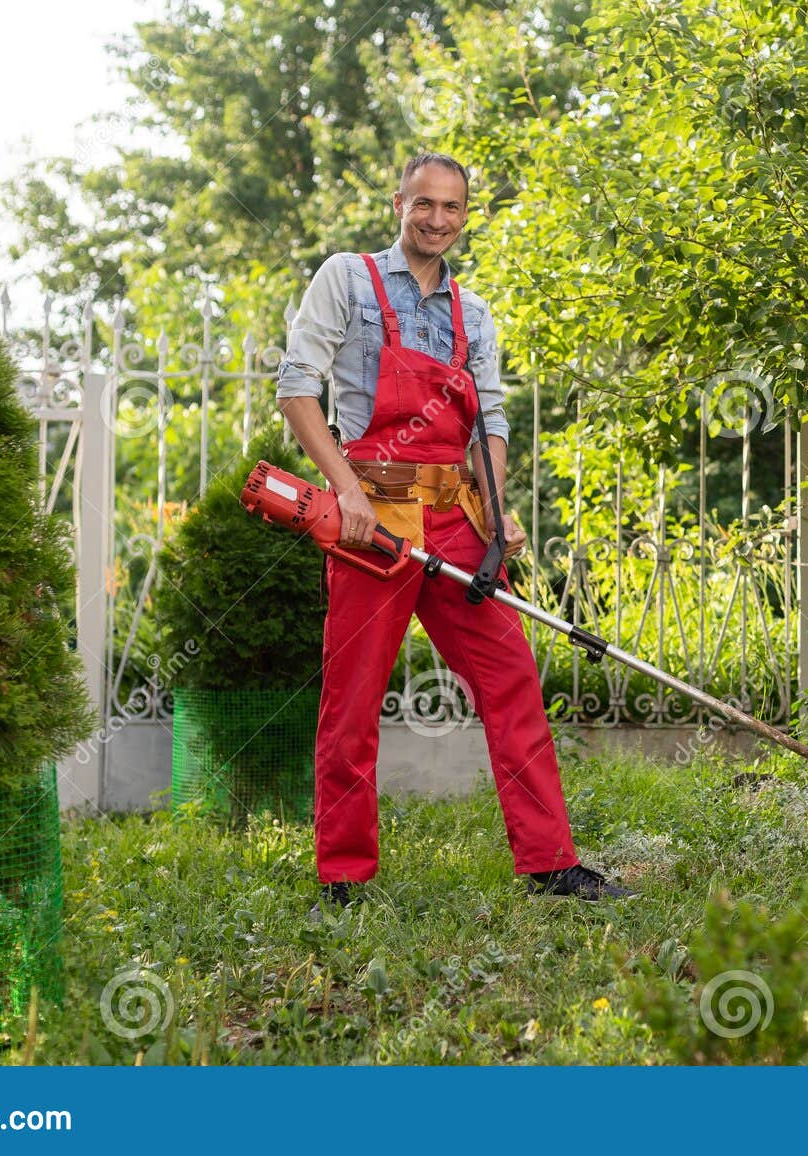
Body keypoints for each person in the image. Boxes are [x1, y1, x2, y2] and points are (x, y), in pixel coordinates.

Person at [275, 152, 633, 918]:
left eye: (452, 208)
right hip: (373, 514)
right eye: (424, 204)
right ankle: (343, 878)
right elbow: (297, 389)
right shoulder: (347, 279)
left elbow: (488, 420)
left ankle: (550, 863)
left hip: (458, 517)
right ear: (397, 201)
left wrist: (497, 504)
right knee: (352, 698)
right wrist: (345, 489)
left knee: (512, 680)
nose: (437, 219)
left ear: (465, 215)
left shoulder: (474, 314)